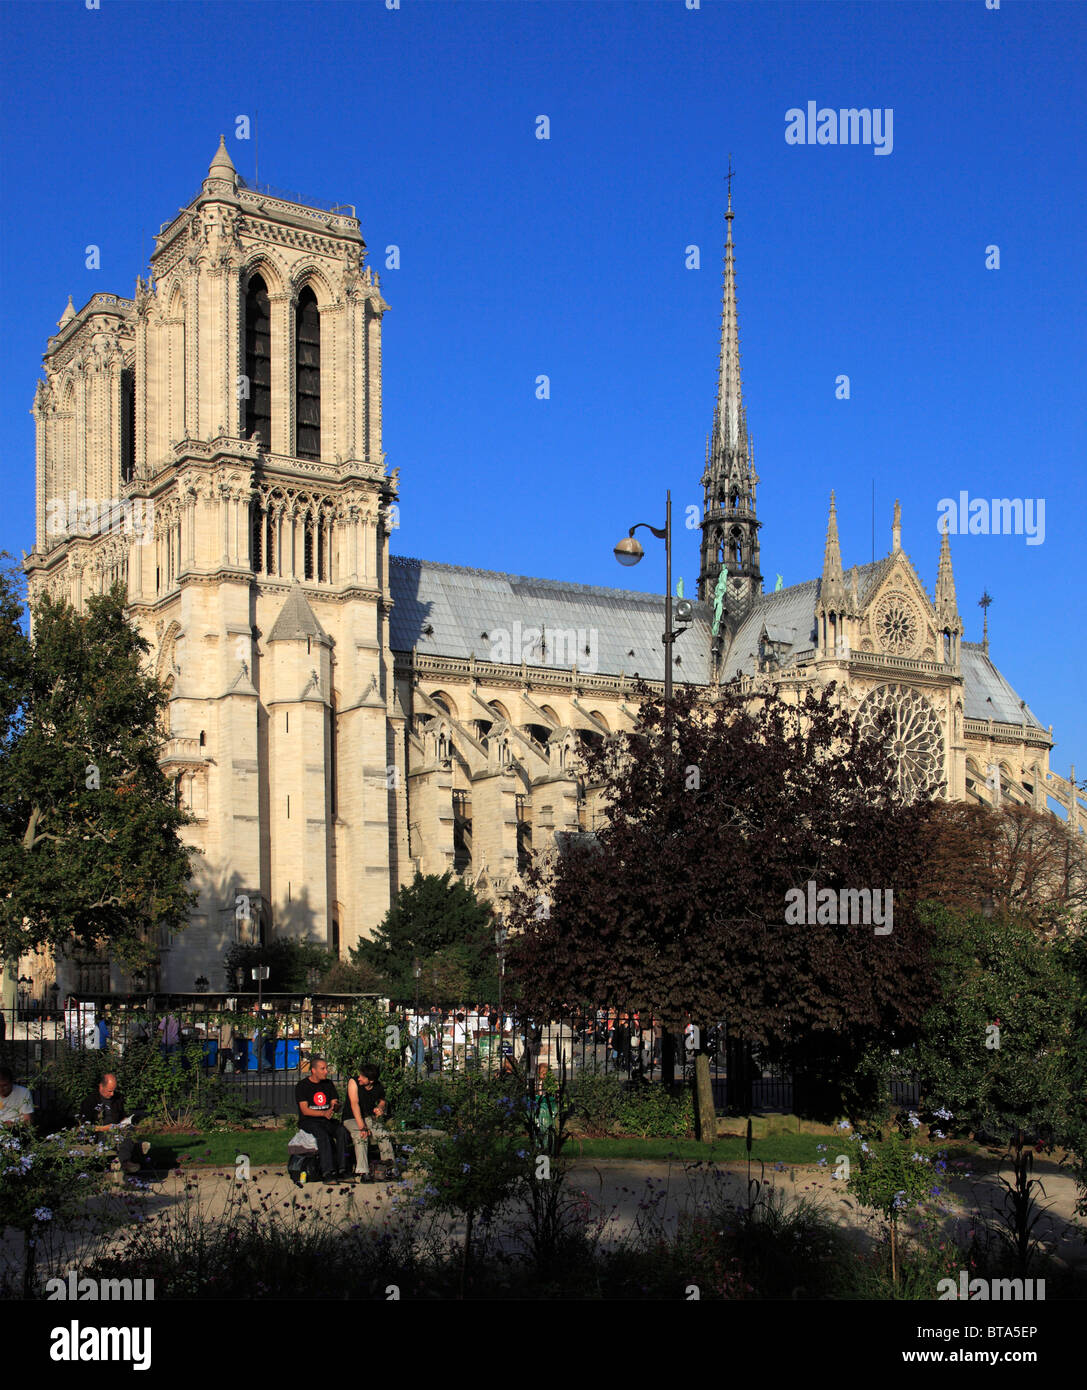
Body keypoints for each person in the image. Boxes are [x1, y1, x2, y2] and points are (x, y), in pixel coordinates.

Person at [294, 1057, 347, 1181]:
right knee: (323, 1136)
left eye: (326, 1068)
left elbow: (334, 1102)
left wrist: (335, 1107)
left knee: (341, 1131)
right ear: (313, 1070)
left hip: (325, 1119)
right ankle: (327, 1172)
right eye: (322, 1069)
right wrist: (323, 1113)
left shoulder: (328, 1084)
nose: (326, 1071)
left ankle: (343, 1169)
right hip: (309, 1121)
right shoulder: (302, 1086)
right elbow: (305, 1110)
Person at [80, 1073, 146, 1172]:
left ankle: (125, 1163)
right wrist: (104, 1128)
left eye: (113, 1090)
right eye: (109, 1091)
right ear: (101, 1086)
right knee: (124, 1140)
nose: (112, 1094)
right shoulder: (90, 1101)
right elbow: (85, 1127)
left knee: (129, 1130)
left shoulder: (117, 1098)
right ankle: (124, 1162)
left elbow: (121, 1116)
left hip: (116, 1130)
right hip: (100, 1134)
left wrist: (125, 1122)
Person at [343, 1063, 395, 1182]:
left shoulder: (377, 1086)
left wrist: (380, 1108)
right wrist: (362, 1128)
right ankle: (363, 1172)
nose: (359, 1078)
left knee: (383, 1134)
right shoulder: (354, 1082)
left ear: (371, 1080)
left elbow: (382, 1101)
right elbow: (354, 1104)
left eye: (362, 1076)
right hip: (351, 1118)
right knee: (361, 1136)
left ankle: (388, 1169)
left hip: (368, 1118)